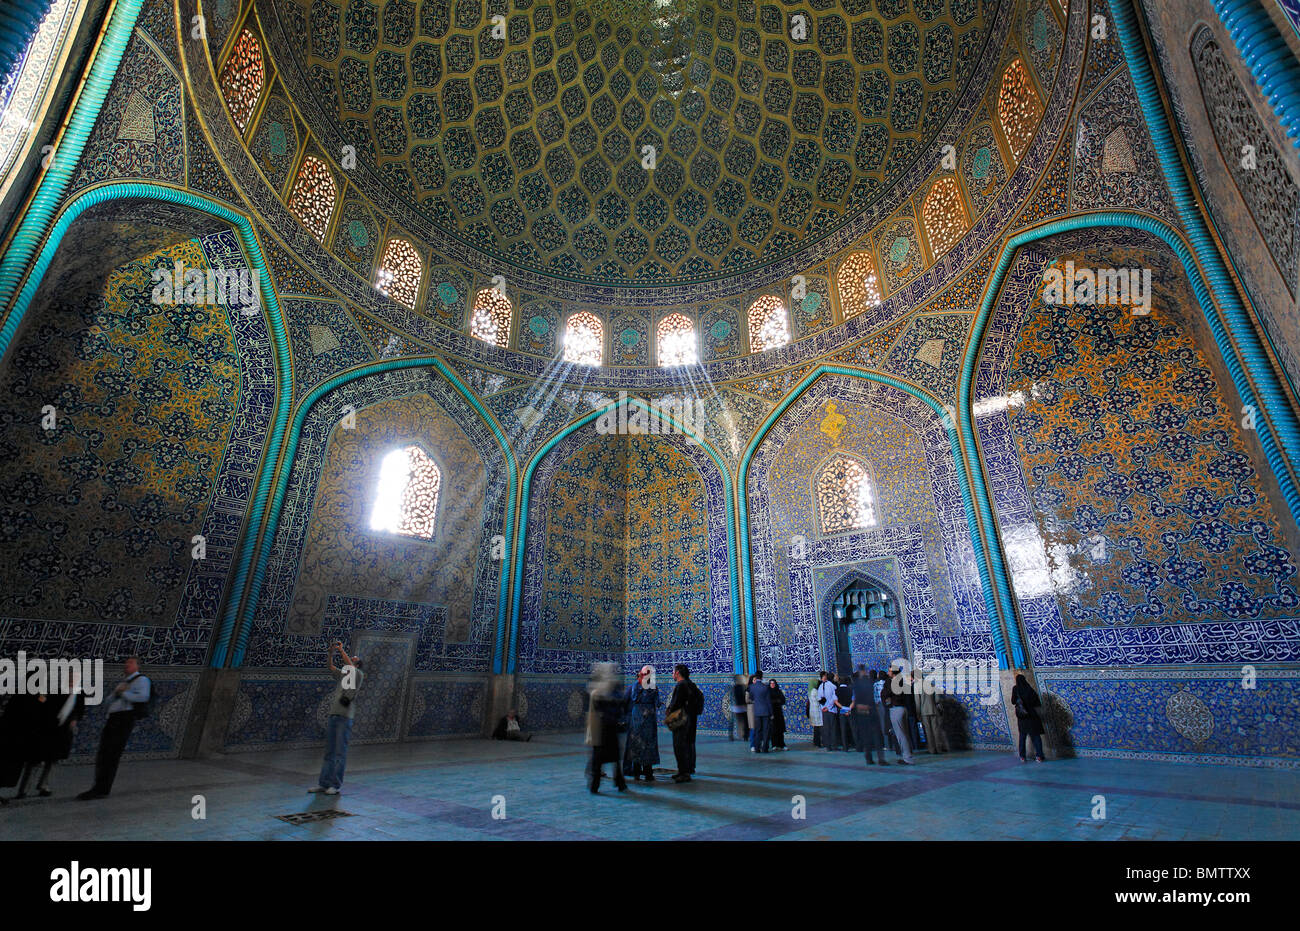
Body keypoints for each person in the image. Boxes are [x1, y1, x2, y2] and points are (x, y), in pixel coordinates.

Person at [77, 657, 152, 800]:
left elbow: (143, 697)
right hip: (113, 720)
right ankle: (99, 786)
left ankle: (101, 788)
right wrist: (118, 692)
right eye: (126, 662)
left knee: (111, 754)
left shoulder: (142, 680)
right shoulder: (124, 682)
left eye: (130, 662)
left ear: (137, 666)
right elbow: (108, 701)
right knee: (104, 753)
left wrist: (122, 693)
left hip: (124, 720)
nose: (126, 665)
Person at [309, 640, 364, 796]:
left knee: (339, 751)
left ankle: (335, 784)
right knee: (330, 751)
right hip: (334, 714)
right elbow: (331, 667)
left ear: (357, 664)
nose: (351, 658)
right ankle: (324, 783)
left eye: (354, 658)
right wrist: (330, 653)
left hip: (345, 717)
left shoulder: (358, 675)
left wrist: (341, 650)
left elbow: (351, 667)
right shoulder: (343, 675)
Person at [18, 673, 86, 797]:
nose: (72, 680)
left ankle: (44, 785)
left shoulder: (79, 694)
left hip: (63, 732)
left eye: (75, 679)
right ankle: (24, 789)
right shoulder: (55, 691)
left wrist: (74, 719)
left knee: (53, 760)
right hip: (47, 730)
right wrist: (40, 698)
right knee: (35, 760)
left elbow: (80, 710)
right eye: (70, 678)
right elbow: (43, 703)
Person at [585, 662, 627, 793]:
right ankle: (619, 783)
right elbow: (620, 703)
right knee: (613, 757)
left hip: (601, 728)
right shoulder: (611, 688)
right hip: (609, 727)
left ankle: (595, 785)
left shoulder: (595, 689)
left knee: (599, 757)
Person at [666, 663, 703, 782]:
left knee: (680, 746)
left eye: (673, 672)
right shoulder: (692, 685)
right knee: (689, 744)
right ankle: (689, 769)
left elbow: (676, 704)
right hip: (691, 719)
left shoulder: (680, 685)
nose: (672, 674)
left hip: (682, 721)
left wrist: (669, 711)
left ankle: (683, 772)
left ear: (677, 673)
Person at [623, 664, 660, 781]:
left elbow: (633, 698)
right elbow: (657, 702)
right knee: (643, 744)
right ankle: (646, 773)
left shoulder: (637, 686)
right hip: (645, 718)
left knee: (639, 744)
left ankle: (638, 772)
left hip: (639, 718)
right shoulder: (651, 687)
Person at [851, 666, 888, 766]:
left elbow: (855, 700)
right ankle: (881, 759)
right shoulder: (871, 682)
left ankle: (869, 758)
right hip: (872, 711)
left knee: (866, 737)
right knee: (877, 736)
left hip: (862, 713)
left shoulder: (856, 684)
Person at [880, 667, 914, 765]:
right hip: (903, 709)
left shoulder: (893, 683)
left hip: (896, 709)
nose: (888, 672)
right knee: (905, 734)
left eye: (889, 671)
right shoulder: (903, 681)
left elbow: (885, 693)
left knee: (901, 735)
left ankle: (907, 758)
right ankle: (908, 755)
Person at [1011, 673, 1047, 763]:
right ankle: (1039, 756)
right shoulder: (1029, 689)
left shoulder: (1015, 689)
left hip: (1022, 717)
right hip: (1031, 715)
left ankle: (1022, 756)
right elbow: (1037, 702)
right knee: (1036, 737)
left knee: (1022, 737)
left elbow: (1013, 701)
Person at [916, 676, 948, 754]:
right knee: (936, 730)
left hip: (924, 712)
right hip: (934, 710)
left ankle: (932, 749)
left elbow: (917, 702)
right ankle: (939, 748)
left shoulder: (917, 686)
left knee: (928, 731)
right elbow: (937, 700)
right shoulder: (931, 684)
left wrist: (918, 714)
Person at [748, 670, 772, 753]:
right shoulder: (765, 687)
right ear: (761, 677)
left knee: (757, 730)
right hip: (765, 711)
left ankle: (757, 748)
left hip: (756, 711)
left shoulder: (752, 687)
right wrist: (771, 713)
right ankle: (765, 748)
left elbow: (751, 697)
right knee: (766, 730)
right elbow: (768, 701)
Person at [874, 668, 898, 753]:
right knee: (893, 725)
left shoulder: (876, 685)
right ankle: (896, 745)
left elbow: (875, 697)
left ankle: (887, 745)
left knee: (883, 725)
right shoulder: (890, 683)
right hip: (891, 705)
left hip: (881, 706)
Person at [817, 671, 840, 751]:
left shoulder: (825, 686)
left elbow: (821, 699)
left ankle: (830, 745)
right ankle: (831, 745)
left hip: (827, 710)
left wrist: (824, 707)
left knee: (829, 728)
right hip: (829, 710)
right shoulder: (827, 686)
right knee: (830, 728)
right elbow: (832, 699)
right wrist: (827, 707)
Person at [834, 673, 856, 750]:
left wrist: (843, 708)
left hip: (842, 711)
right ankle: (857, 745)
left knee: (843, 729)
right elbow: (853, 700)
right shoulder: (851, 690)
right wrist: (848, 709)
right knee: (853, 728)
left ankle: (845, 747)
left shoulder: (836, 690)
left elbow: (836, 701)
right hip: (850, 711)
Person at [768, 678, 787, 750]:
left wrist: (775, 701)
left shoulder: (779, 691)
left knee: (780, 729)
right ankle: (774, 745)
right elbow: (769, 702)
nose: (772, 685)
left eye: (773, 683)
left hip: (779, 713)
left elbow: (783, 700)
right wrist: (777, 701)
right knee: (773, 730)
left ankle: (781, 744)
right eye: (771, 683)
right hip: (772, 713)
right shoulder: (768, 692)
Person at [730, 674, 749, 742]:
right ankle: (745, 736)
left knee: (736, 722)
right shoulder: (741, 687)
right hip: (742, 707)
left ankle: (734, 735)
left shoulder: (733, 687)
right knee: (745, 722)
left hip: (735, 707)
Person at [807, 679, 823, 747]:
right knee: (818, 728)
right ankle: (818, 743)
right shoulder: (815, 691)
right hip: (817, 710)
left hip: (812, 710)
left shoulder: (810, 691)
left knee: (816, 728)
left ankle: (815, 742)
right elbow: (819, 699)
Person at [745, 674, 756, 749]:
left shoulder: (757, 688)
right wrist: (755, 701)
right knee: (753, 728)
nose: (755, 681)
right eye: (754, 680)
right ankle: (752, 745)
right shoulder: (748, 689)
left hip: (758, 710)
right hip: (751, 710)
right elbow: (747, 700)